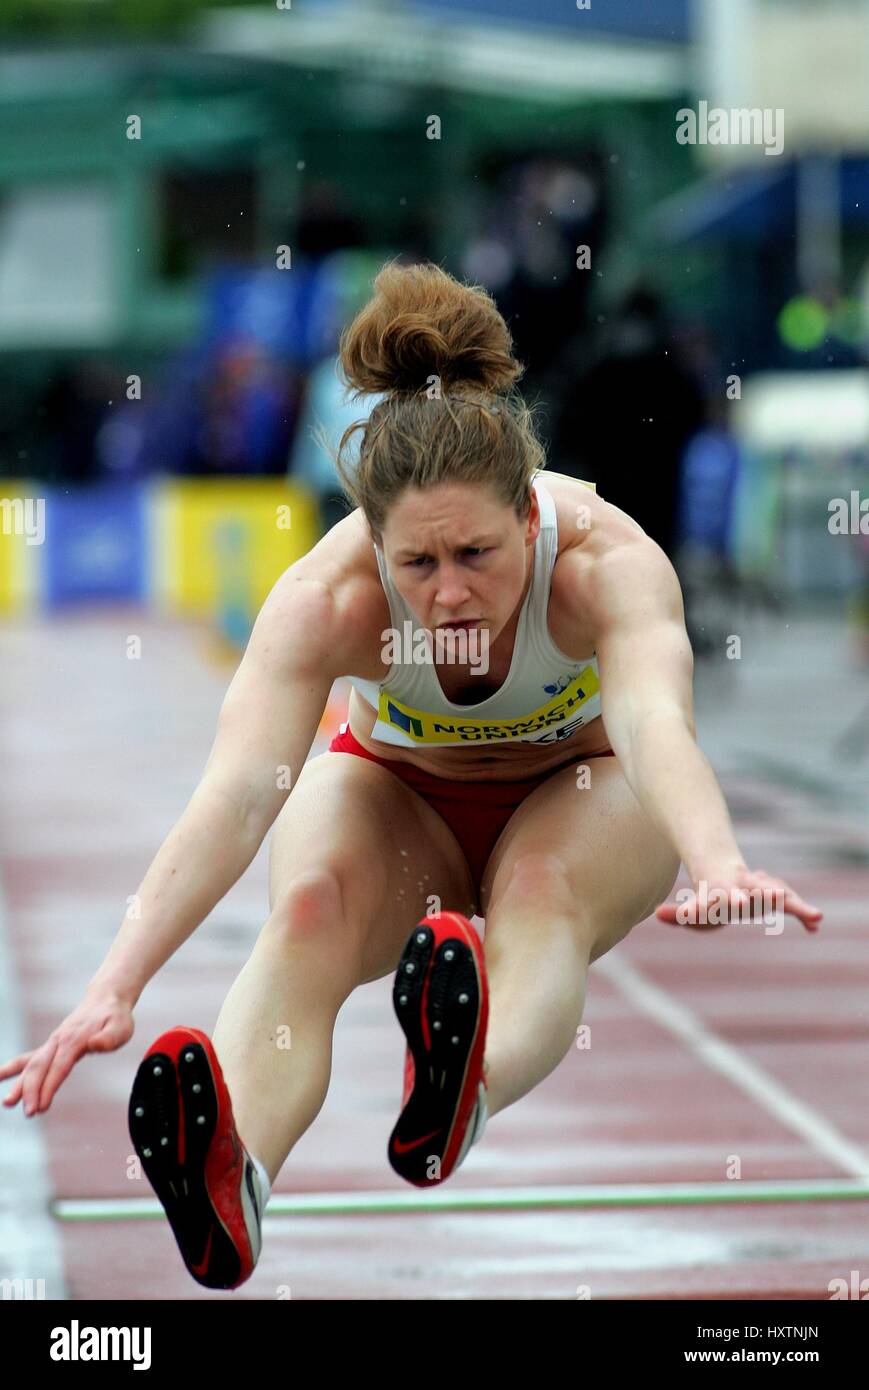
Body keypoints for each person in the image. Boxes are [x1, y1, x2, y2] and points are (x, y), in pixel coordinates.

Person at [0, 261, 824, 1292]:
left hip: (579, 792)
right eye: (417, 565)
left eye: (475, 554)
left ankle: (457, 1091)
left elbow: (654, 722)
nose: (449, 593)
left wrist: (717, 863)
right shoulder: (324, 599)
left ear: (529, 515)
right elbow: (238, 792)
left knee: (537, 892)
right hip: (401, 797)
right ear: (372, 546)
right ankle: (233, 1172)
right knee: (305, 908)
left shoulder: (606, 566)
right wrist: (114, 985)